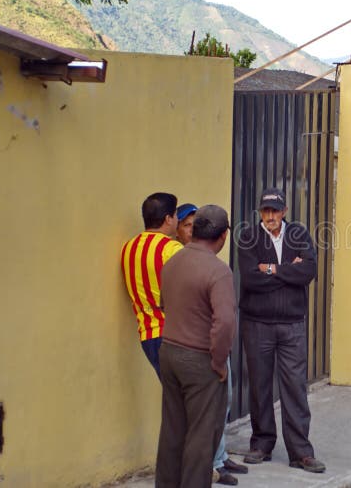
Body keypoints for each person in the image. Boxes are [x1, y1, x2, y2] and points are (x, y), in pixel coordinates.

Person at [237, 188, 326, 474]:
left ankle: (300, 451)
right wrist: (289, 271)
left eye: (275, 211)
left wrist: (272, 270)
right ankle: (261, 443)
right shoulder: (248, 237)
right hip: (258, 324)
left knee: (295, 387)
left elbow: (309, 271)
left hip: (292, 325)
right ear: (260, 212)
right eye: (266, 211)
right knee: (260, 386)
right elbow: (250, 280)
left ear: (285, 211)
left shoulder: (299, 234)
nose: (271, 216)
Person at [156, 205, 238, 487]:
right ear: (224, 236)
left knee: (172, 430)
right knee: (202, 436)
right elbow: (225, 322)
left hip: (168, 351)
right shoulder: (219, 271)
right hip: (200, 359)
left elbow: (163, 303)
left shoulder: (173, 261)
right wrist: (218, 361)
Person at [174, 203, 248, 485]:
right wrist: (218, 361)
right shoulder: (179, 262)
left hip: (207, 348)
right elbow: (222, 320)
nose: (192, 230)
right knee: (200, 412)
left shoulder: (209, 265)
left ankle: (219, 457)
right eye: (186, 225)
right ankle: (206, 468)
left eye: (196, 224)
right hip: (197, 350)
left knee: (223, 403)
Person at [120, 192, 183, 378]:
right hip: (175, 335)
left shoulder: (129, 248)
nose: (178, 220)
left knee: (173, 397)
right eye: (176, 215)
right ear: (168, 219)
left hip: (148, 335)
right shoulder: (172, 249)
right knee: (196, 399)